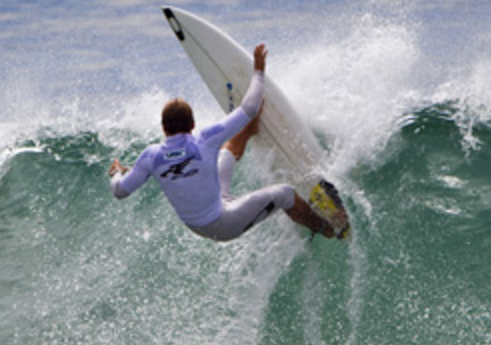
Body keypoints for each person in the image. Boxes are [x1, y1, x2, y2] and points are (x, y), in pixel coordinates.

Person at [108, 43, 346, 241]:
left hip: (200, 220)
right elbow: (249, 108)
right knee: (285, 193)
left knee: (225, 153)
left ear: (164, 128)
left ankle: (249, 130)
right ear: (192, 124)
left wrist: (117, 173)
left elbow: (120, 191)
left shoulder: (151, 156)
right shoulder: (204, 140)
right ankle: (326, 227)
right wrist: (258, 71)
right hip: (224, 223)